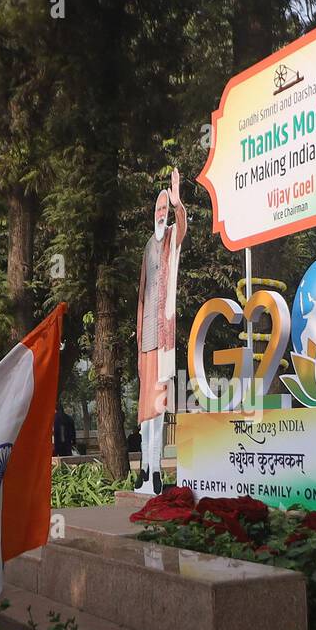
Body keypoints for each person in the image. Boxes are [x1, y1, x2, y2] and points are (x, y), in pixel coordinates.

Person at [134, 169, 187, 495]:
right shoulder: (146, 248)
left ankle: (154, 473)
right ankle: (145, 471)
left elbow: (182, 228)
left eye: (165, 210)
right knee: (144, 412)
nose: (161, 214)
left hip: (163, 339)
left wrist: (179, 203)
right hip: (146, 341)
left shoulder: (170, 238)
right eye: (159, 209)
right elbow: (142, 294)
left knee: (157, 406)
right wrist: (138, 333)